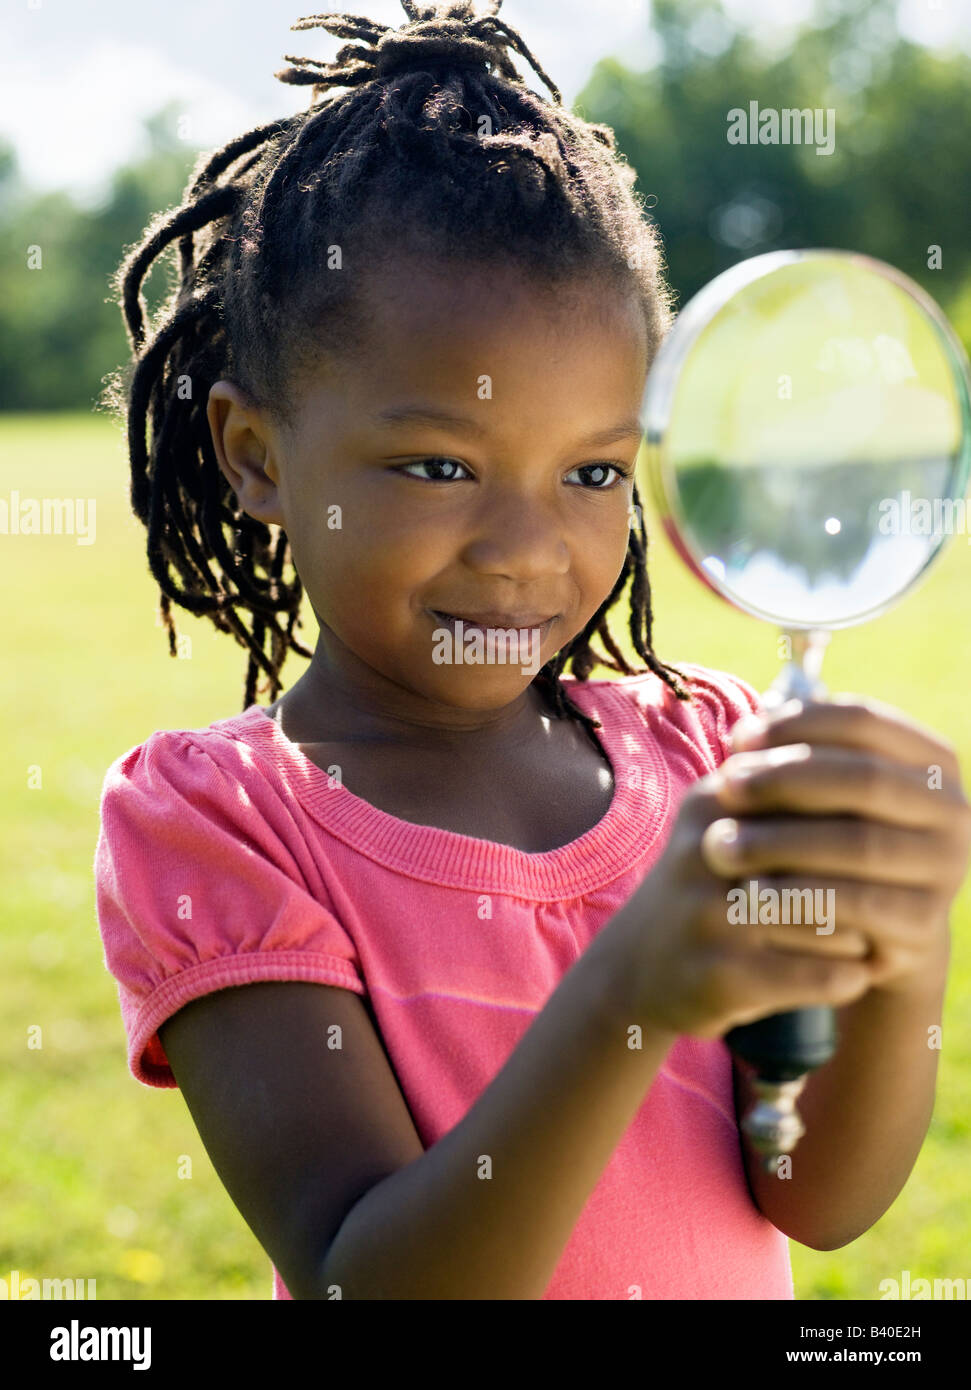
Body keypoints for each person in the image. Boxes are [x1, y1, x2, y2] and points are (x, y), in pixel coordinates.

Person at [94, 0, 970, 1300]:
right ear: (256, 456)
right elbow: (364, 1277)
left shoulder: (706, 756)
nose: (524, 548)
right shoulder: (219, 823)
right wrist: (633, 987)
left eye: (593, 471)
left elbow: (818, 1196)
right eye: (438, 463)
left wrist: (907, 952)